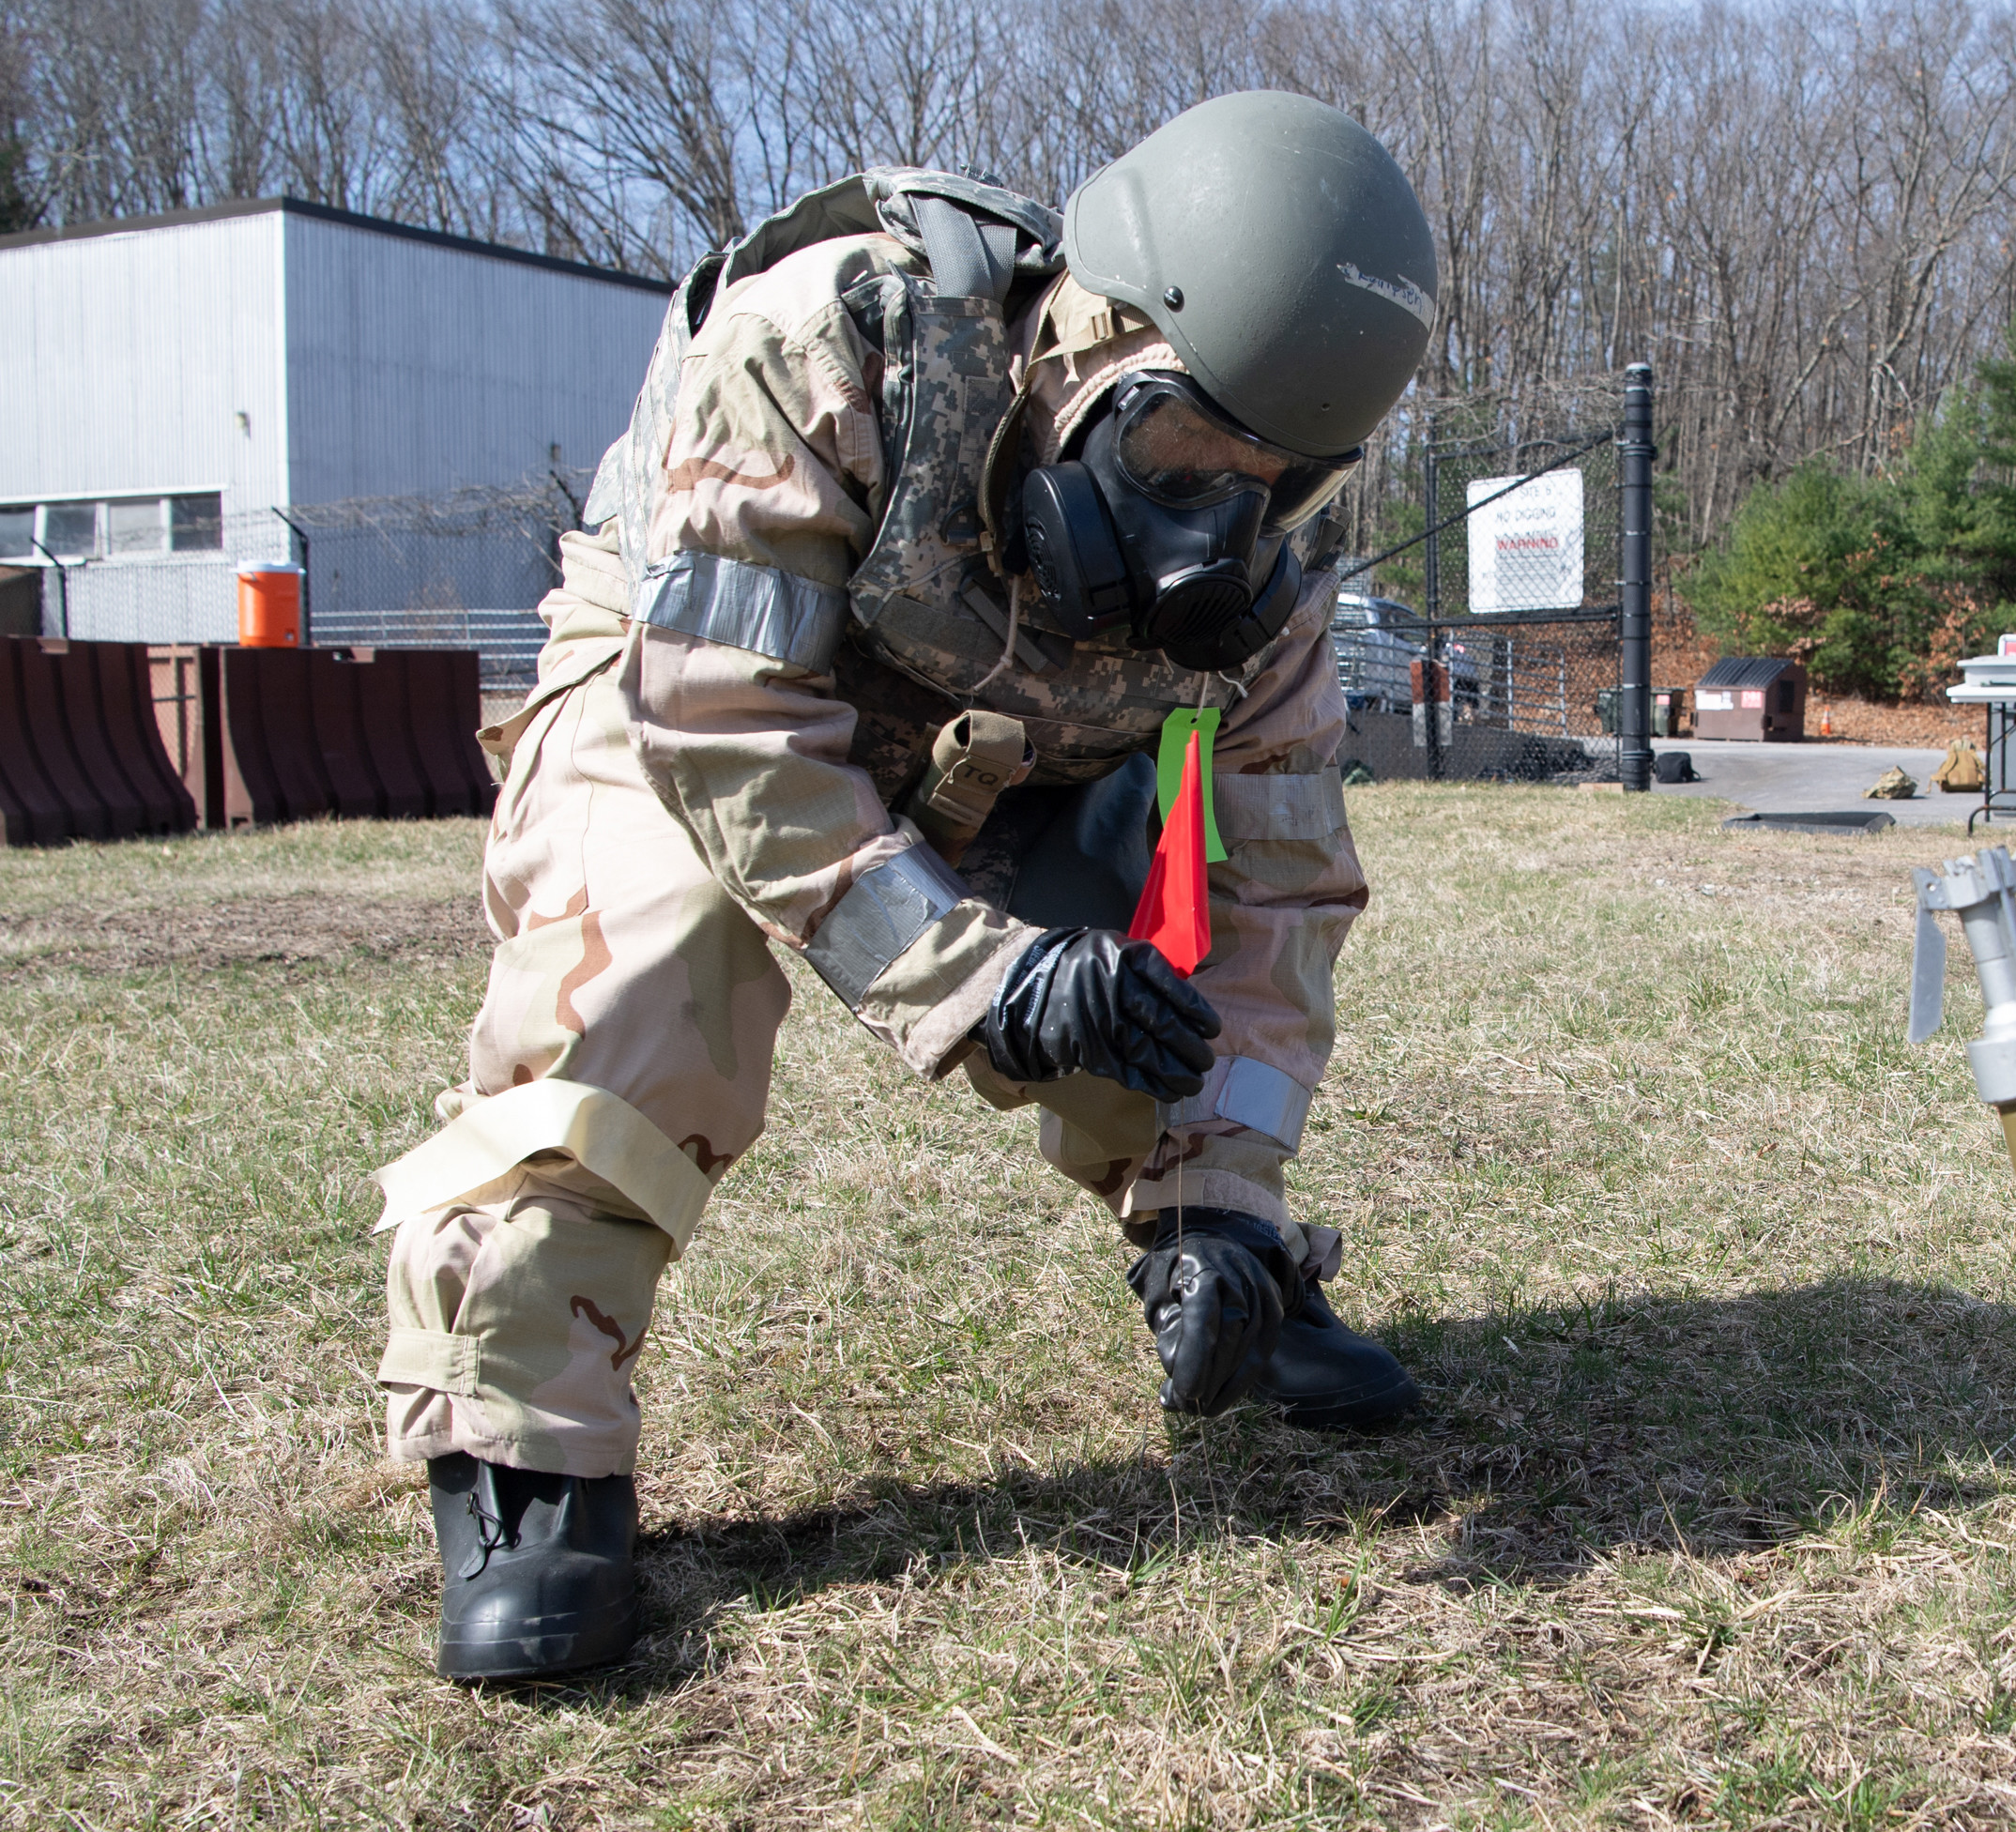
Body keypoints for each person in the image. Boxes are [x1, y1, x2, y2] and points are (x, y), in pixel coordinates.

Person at [373, 92, 1439, 1682]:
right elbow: (724, 721)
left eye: (1264, 485)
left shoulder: (1263, 588)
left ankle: (1221, 1273)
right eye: (1168, 452)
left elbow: (1275, 884)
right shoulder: (834, 338)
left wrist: (1220, 1186)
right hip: (688, 678)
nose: (1204, 534)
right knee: (653, 944)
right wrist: (974, 974)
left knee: (1164, 929)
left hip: (997, 738)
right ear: (1089, 329)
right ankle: (526, 1441)